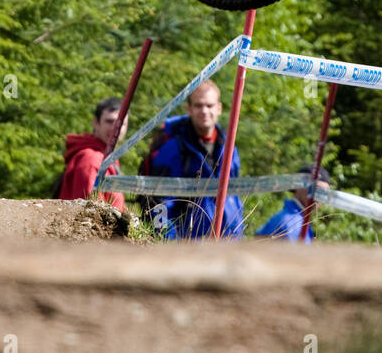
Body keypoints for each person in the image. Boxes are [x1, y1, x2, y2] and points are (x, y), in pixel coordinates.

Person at [145, 80, 244, 239]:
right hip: (189, 247)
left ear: (219, 108)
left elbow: (234, 196)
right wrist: (168, 242)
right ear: (189, 109)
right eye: (198, 105)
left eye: (209, 105)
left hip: (229, 243)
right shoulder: (173, 149)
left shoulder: (229, 147)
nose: (204, 111)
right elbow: (160, 203)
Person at [59, 97, 127, 209]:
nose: (116, 128)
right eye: (109, 121)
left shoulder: (106, 157)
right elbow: (90, 212)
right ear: (96, 123)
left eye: (121, 123)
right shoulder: (91, 159)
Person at [255, 166, 331, 242]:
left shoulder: (301, 220)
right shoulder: (290, 223)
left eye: (324, 192)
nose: (319, 196)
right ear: (298, 186)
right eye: (316, 189)